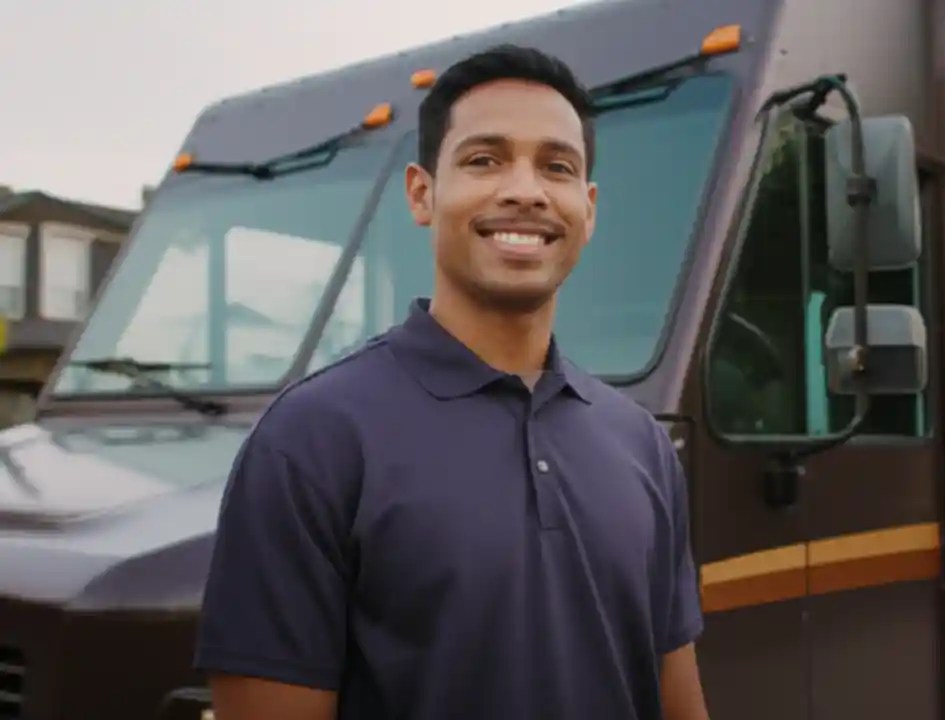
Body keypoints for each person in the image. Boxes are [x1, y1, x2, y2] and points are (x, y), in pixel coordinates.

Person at [192, 44, 710, 720]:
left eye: (556, 167)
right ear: (421, 194)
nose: (525, 189)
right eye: (484, 160)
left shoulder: (640, 444)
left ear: (588, 208)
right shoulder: (310, 440)